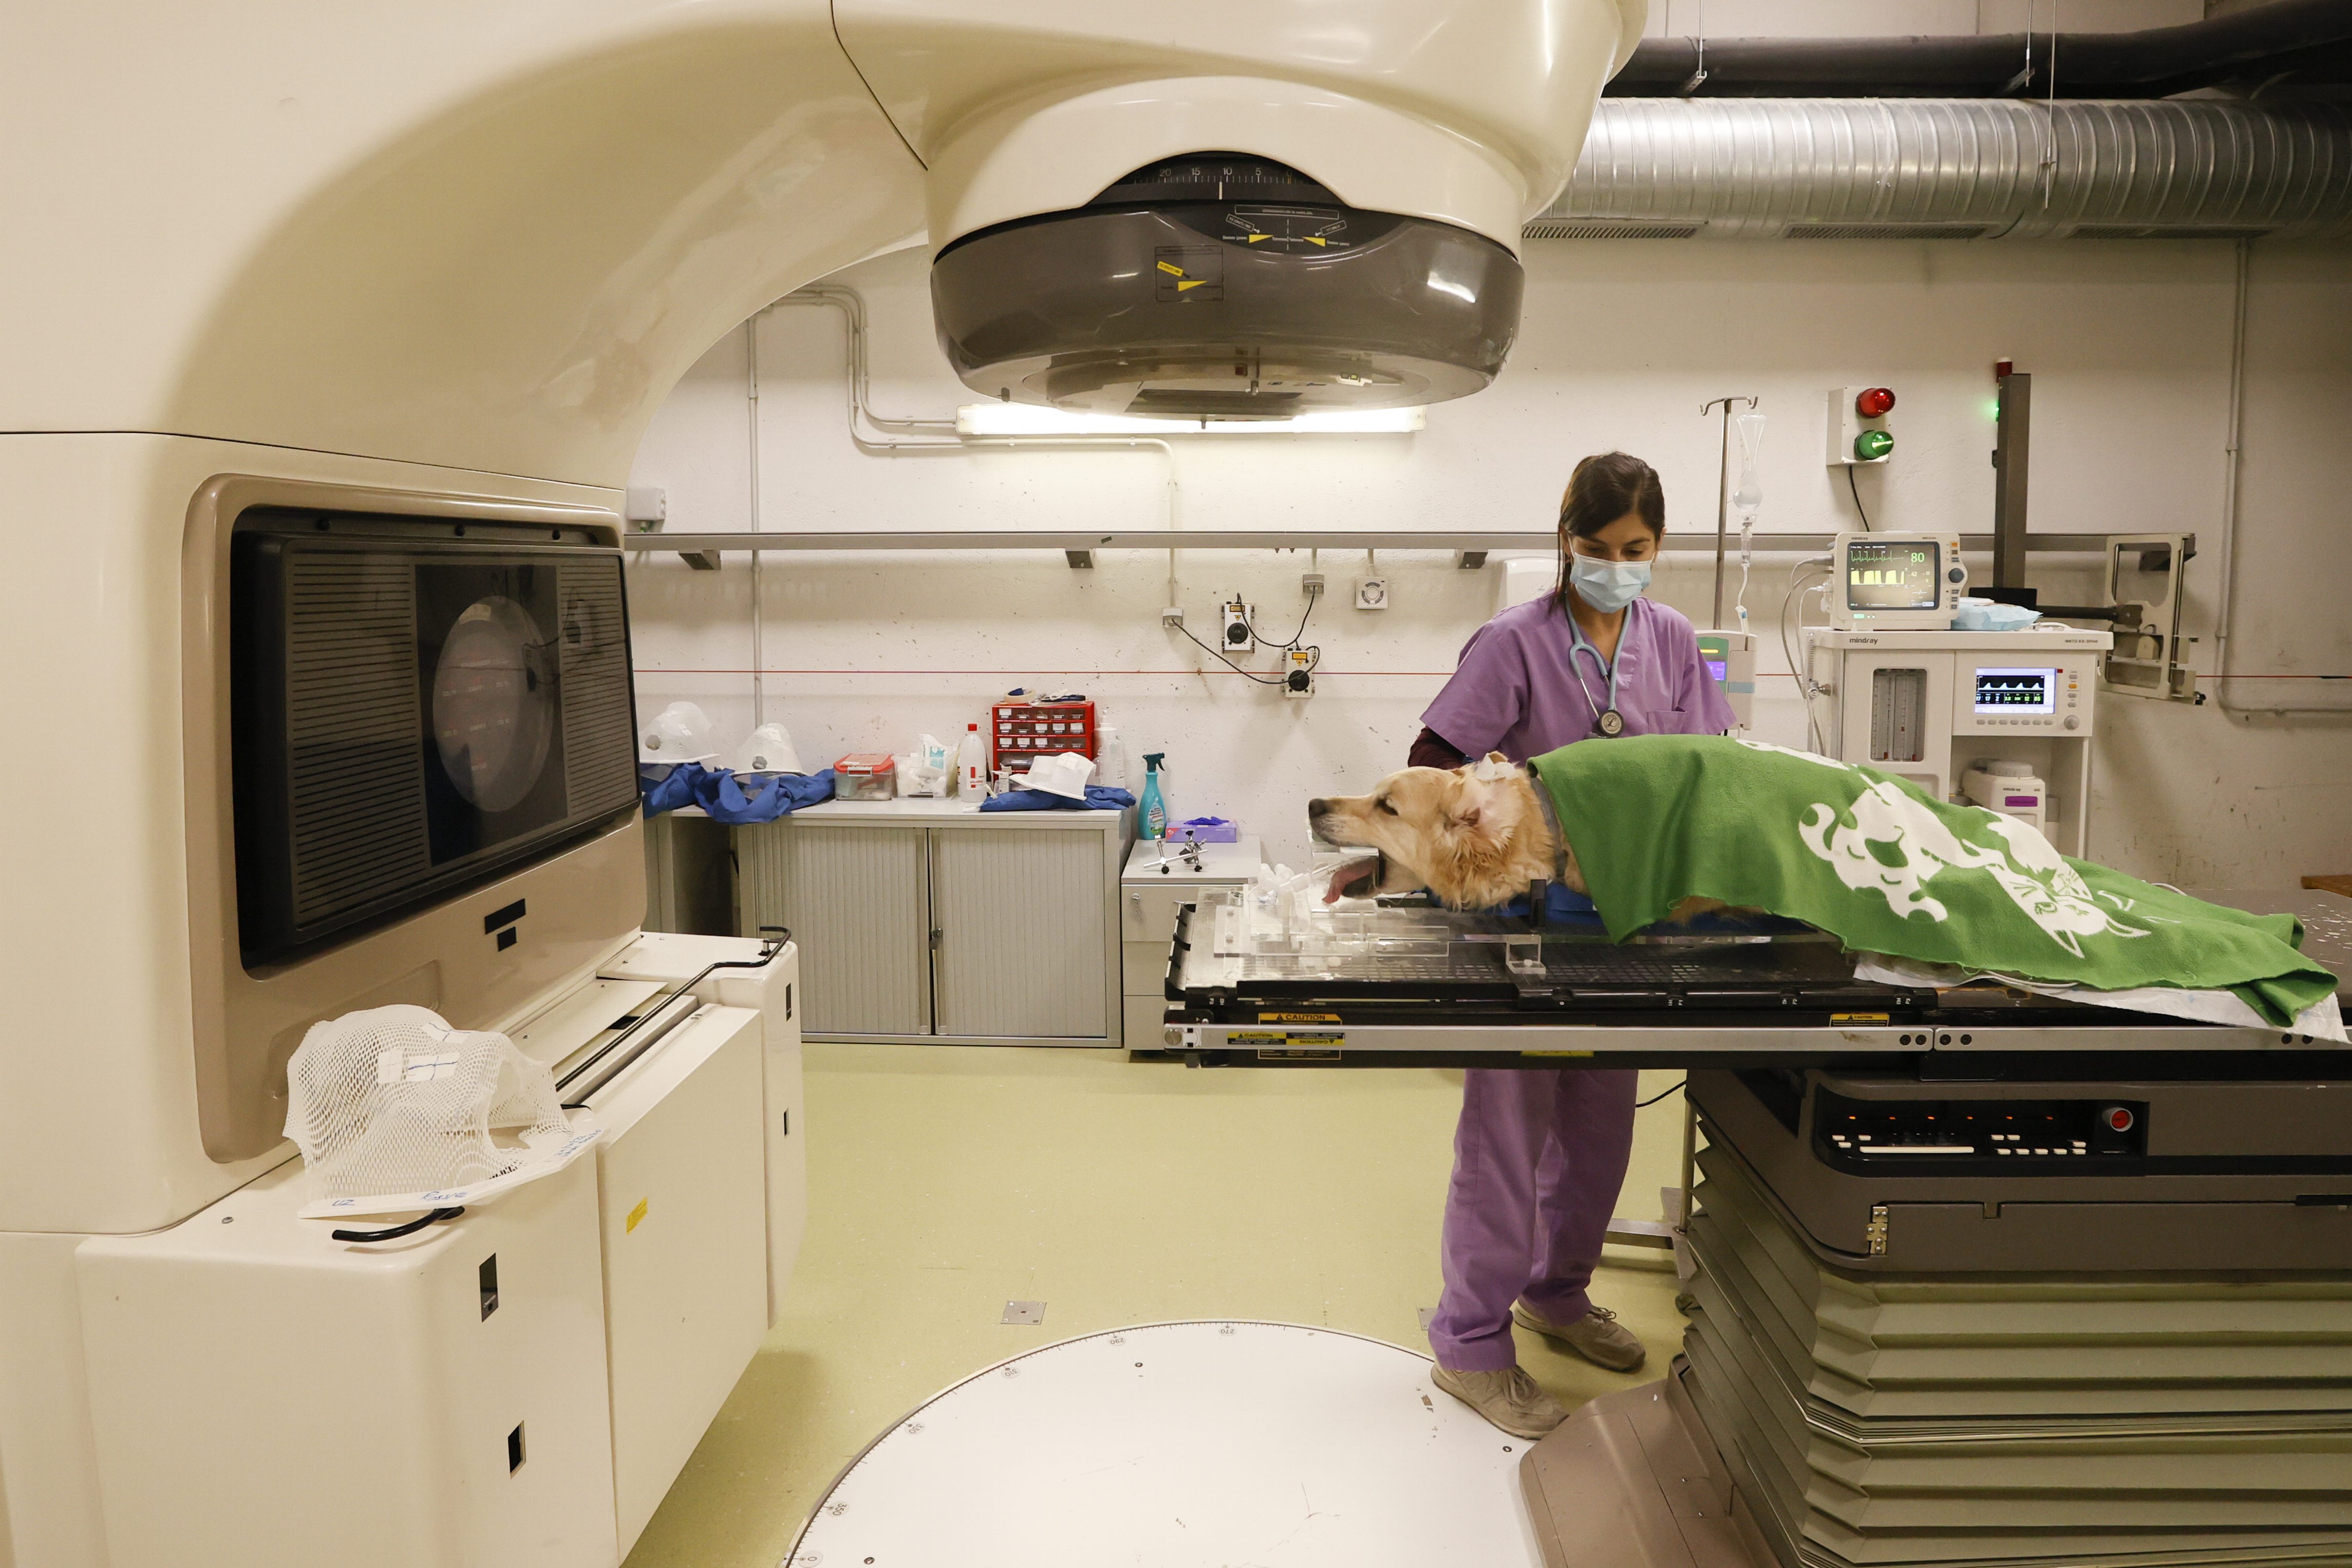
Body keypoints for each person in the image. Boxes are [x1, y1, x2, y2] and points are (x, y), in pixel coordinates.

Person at [1411, 450, 1737, 1439]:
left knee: (1600, 1133)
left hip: (1624, 927)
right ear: (1566, 539)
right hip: (1525, 929)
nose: (1613, 564)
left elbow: (1709, 766)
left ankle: (1556, 1292)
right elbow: (1432, 766)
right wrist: (1505, 801)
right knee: (1507, 1138)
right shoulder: (1515, 641)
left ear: (1658, 548)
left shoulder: (1674, 640)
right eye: (1594, 548)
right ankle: (1470, 1343)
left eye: (1633, 550)